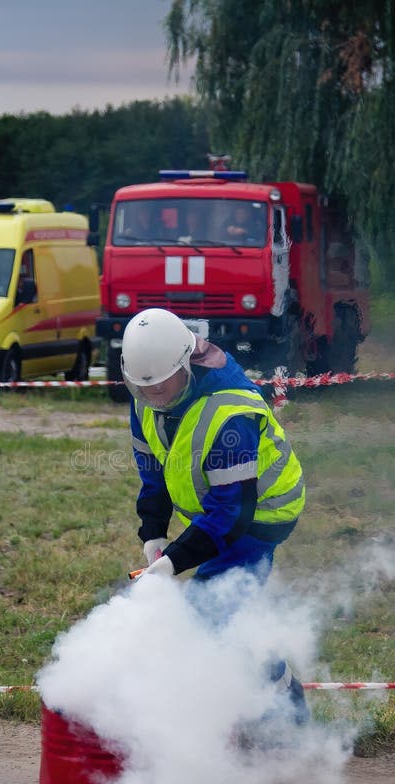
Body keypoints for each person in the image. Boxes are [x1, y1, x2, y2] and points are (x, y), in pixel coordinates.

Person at [121, 307, 309, 725]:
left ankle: (286, 715)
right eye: (140, 384)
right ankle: (235, 712)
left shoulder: (229, 414)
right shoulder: (148, 395)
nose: (150, 394)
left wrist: (174, 561)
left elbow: (233, 514)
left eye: (158, 384)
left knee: (212, 612)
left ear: (185, 364)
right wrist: (153, 534)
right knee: (221, 615)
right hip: (220, 511)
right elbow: (153, 470)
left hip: (262, 515)